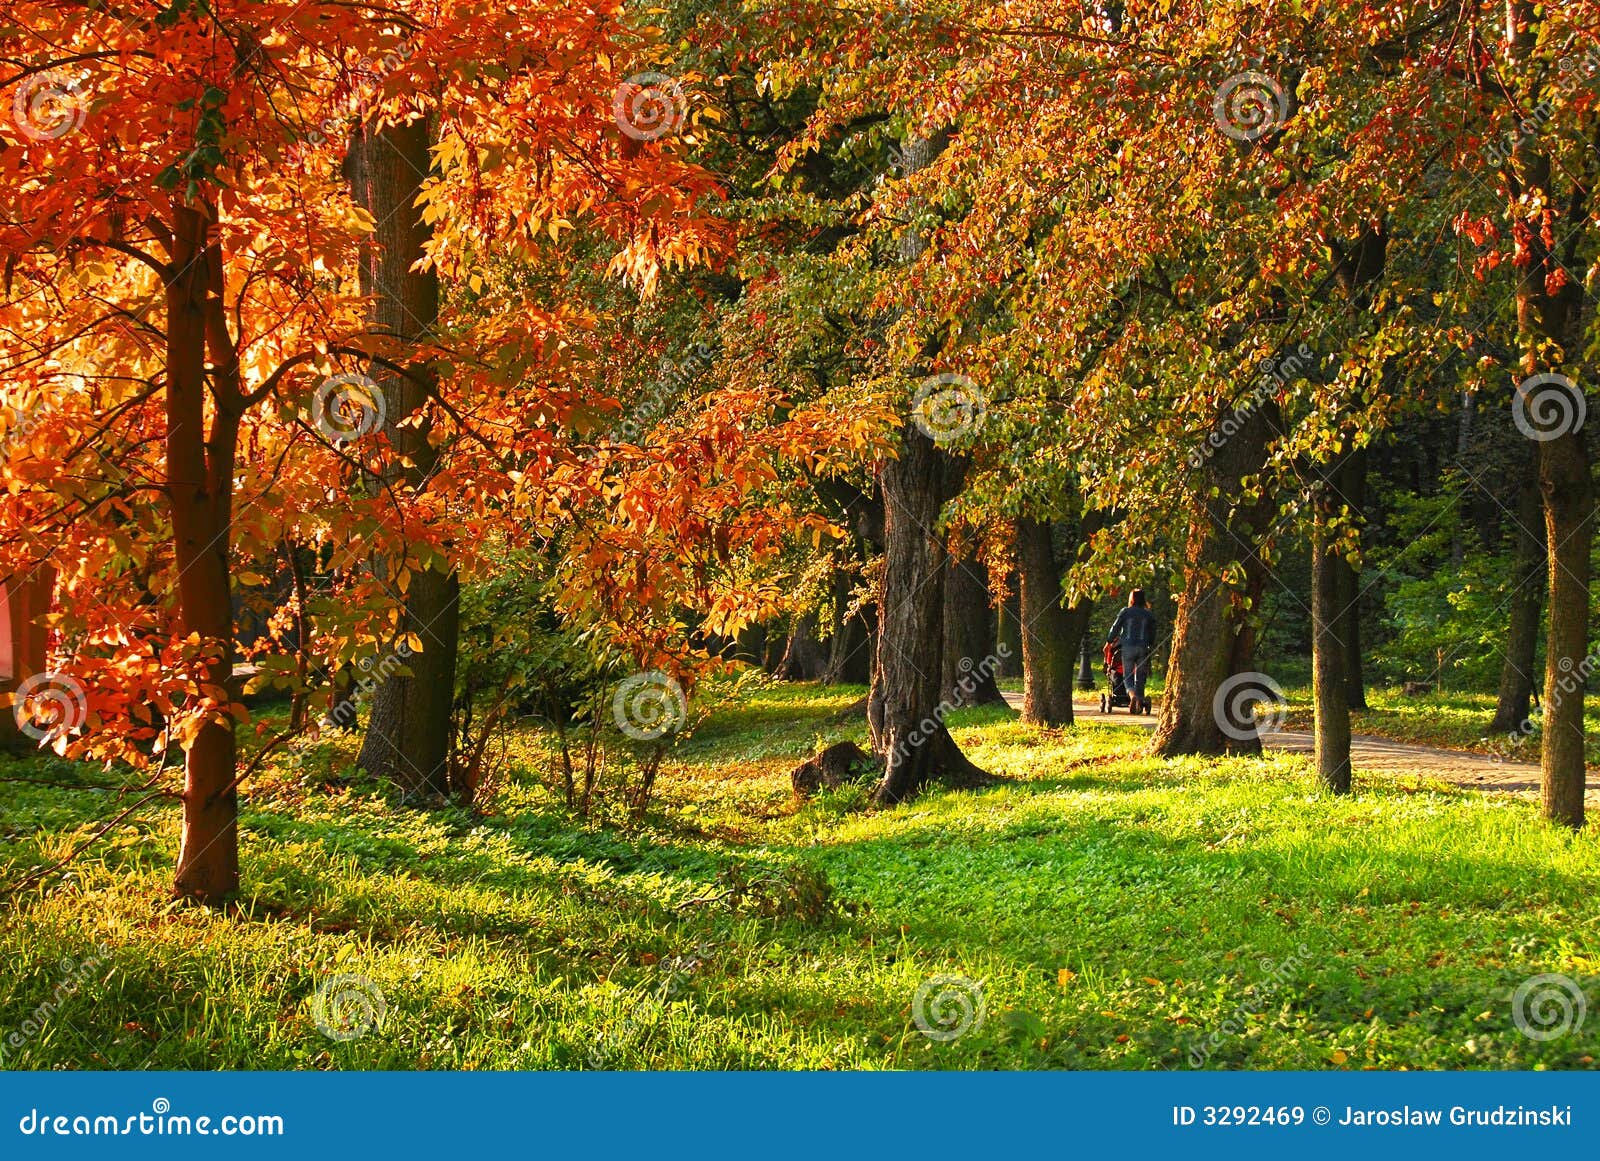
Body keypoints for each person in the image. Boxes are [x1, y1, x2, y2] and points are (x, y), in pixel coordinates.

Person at [1106, 590, 1155, 714]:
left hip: (1127, 646)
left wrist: (1109, 641)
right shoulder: (1148, 614)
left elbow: (1115, 627)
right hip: (1143, 647)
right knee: (1140, 675)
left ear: (1131, 599)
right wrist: (1151, 643)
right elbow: (1152, 631)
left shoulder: (1125, 612)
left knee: (1127, 674)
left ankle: (1132, 695)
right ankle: (1139, 700)